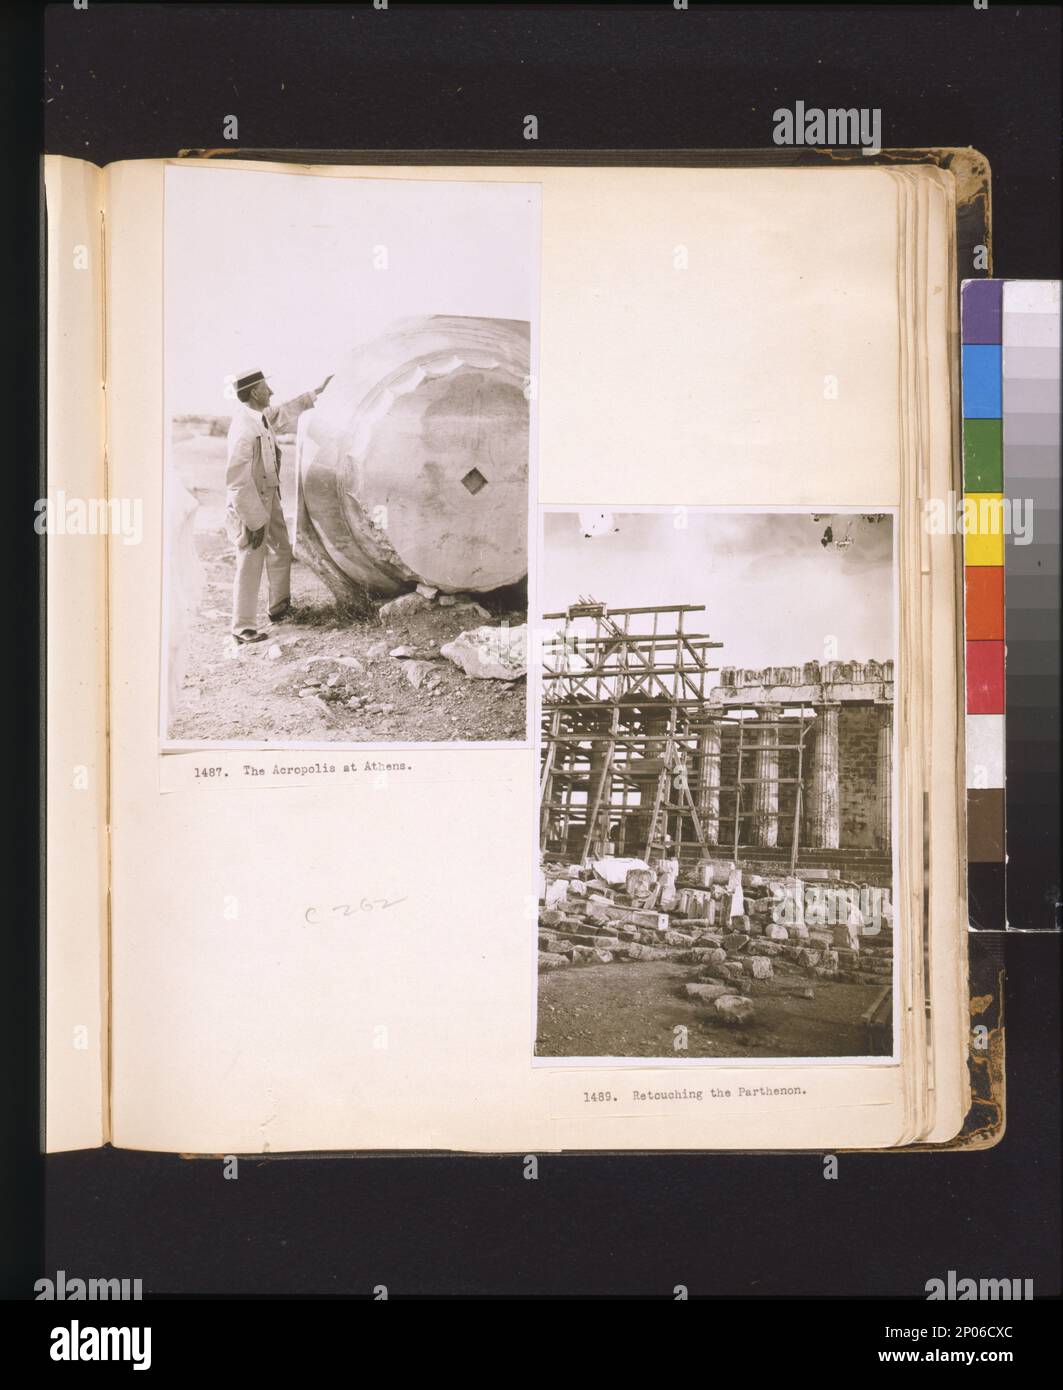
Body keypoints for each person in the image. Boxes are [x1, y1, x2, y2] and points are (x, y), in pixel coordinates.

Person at [224, 368, 332, 642]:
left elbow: (285, 410)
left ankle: (279, 608)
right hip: (251, 502)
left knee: (281, 549)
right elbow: (237, 481)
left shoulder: (260, 418)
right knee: (250, 558)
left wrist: (316, 393)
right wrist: (253, 520)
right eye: (265, 388)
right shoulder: (243, 429)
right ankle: (243, 628)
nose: (271, 392)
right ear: (253, 392)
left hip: (270, 497)